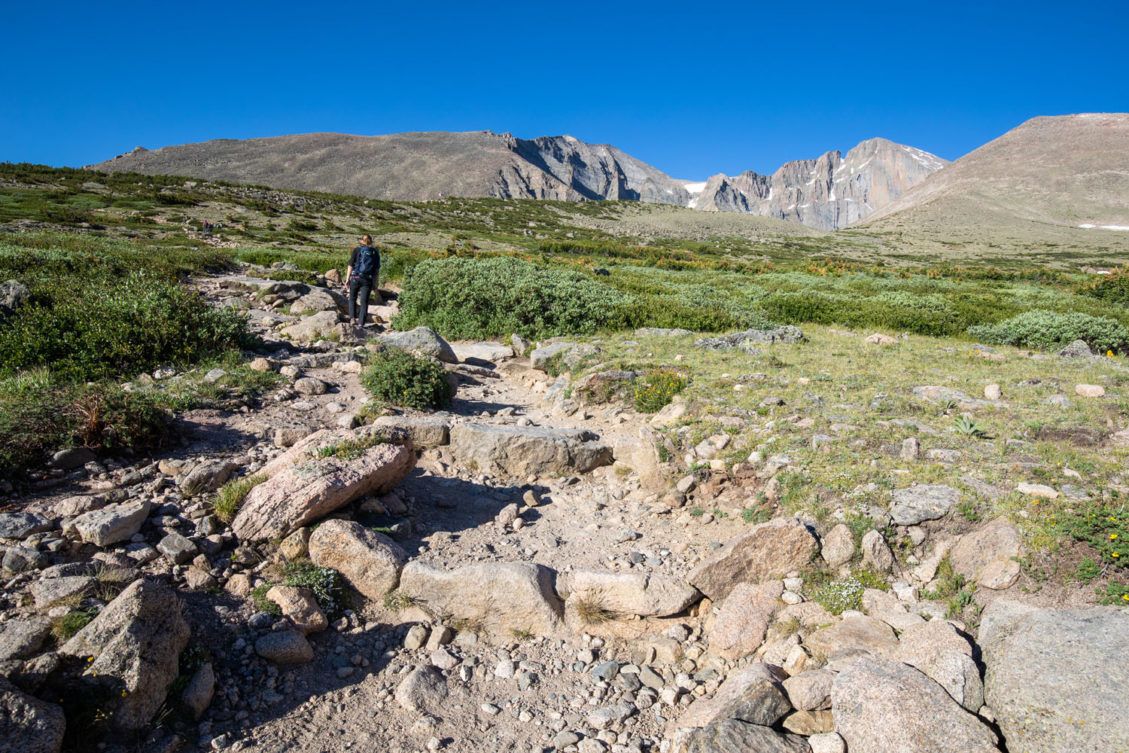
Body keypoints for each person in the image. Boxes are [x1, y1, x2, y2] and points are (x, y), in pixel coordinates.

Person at [344, 234, 380, 336]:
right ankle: (361, 324)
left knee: (352, 298)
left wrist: (347, 279)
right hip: (367, 280)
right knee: (364, 302)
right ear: (371, 241)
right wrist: (375, 283)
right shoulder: (375, 252)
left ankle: (352, 319)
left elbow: (350, 265)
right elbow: (376, 270)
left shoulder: (357, 250)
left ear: (362, 241)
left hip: (355, 277)